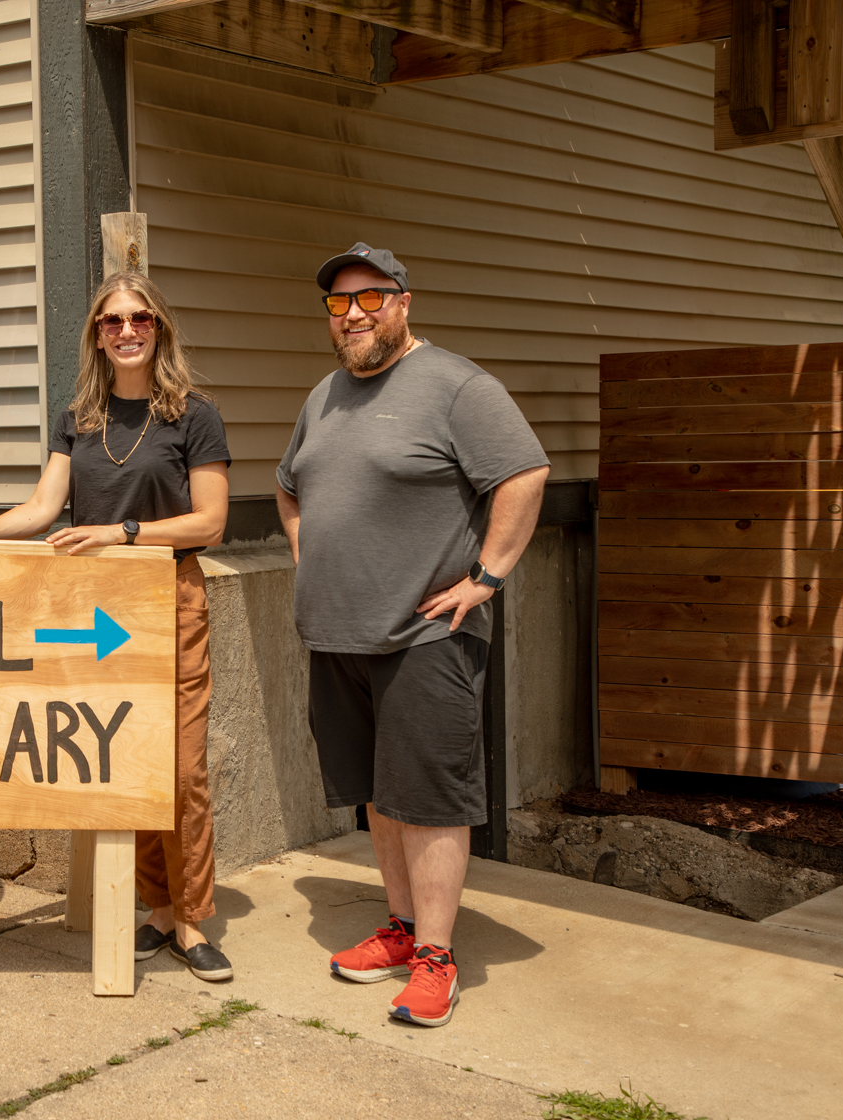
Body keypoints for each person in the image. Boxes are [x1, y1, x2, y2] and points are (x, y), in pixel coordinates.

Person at [0, 271, 235, 981]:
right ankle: (156, 909)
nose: (126, 331)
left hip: (169, 600)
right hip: (94, 608)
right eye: (112, 321)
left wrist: (123, 533)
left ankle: (191, 920)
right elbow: (42, 509)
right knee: (128, 761)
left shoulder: (195, 416)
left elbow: (210, 523)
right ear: (96, 334)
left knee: (181, 769)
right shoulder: (79, 419)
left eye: (140, 319)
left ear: (161, 329)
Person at [274, 244, 548, 1028]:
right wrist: (307, 550)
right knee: (380, 796)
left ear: (403, 302)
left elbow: (524, 475)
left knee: (429, 801)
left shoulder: (458, 386)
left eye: (371, 298)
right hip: (338, 634)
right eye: (339, 303)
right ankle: (400, 929)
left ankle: (436, 957)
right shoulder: (324, 396)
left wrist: (488, 577)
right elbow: (291, 488)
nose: (354, 314)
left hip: (426, 636)